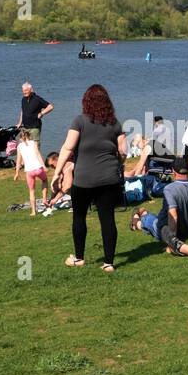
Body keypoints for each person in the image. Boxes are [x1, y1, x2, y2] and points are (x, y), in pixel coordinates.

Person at [49, 84, 127, 271]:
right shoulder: (115, 124)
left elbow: (67, 148)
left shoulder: (79, 121)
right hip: (109, 179)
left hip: (83, 180)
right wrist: (117, 165)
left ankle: (79, 258)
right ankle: (108, 263)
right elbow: (123, 152)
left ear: (86, 102)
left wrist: (57, 173)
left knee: (79, 217)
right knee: (107, 219)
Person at [13, 128, 50, 217]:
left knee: (31, 191)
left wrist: (17, 173)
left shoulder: (19, 147)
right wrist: (44, 166)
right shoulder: (34, 143)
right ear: (29, 136)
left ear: (21, 138)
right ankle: (44, 199)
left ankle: (33, 211)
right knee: (44, 181)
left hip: (29, 171)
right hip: (38, 168)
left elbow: (18, 161)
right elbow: (38, 155)